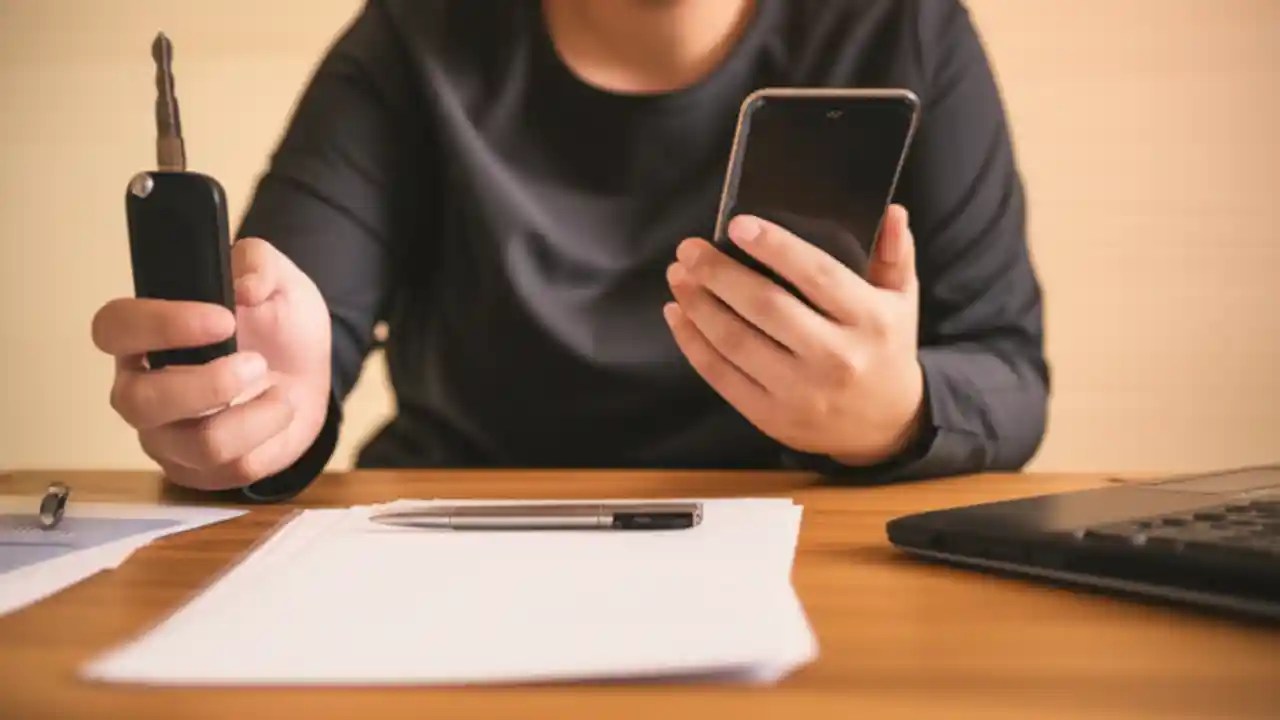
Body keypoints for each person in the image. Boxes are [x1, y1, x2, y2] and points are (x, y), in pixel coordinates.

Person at [90, 0, 1048, 501]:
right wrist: (256, 416)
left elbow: (1007, 368)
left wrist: (900, 414)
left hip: (800, 546)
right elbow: (283, 332)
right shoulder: (412, 37)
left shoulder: (904, 26)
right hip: (444, 551)